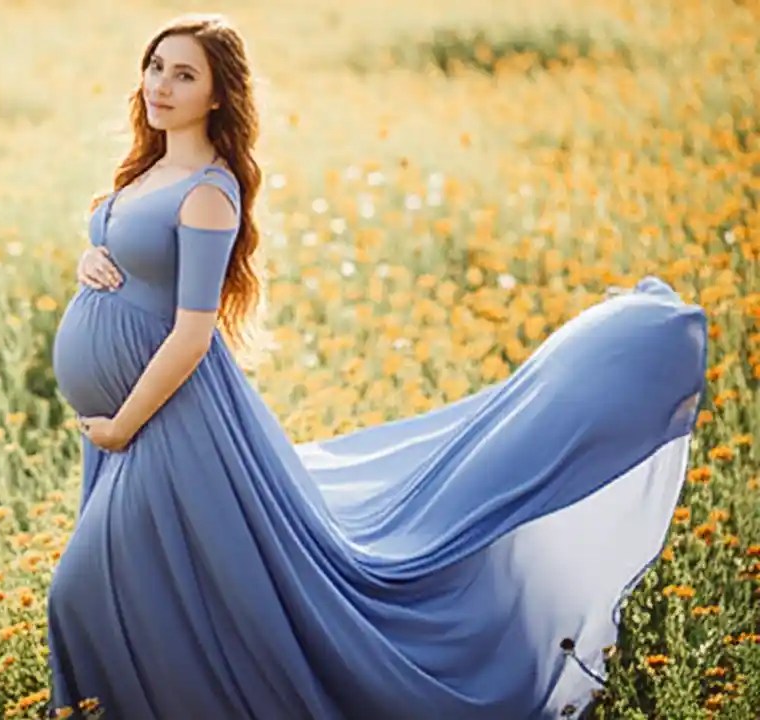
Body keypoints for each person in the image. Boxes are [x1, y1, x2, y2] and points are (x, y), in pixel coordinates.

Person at [46, 12, 708, 720]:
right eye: (156, 67)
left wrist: (123, 425)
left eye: (185, 75)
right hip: (129, 423)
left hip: (168, 419)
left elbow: (193, 333)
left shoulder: (208, 192)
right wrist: (92, 255)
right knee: (161, 587)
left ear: (217, 96)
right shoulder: (149, 170)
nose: (162, 85)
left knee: (80, 590)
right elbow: (127, 250)